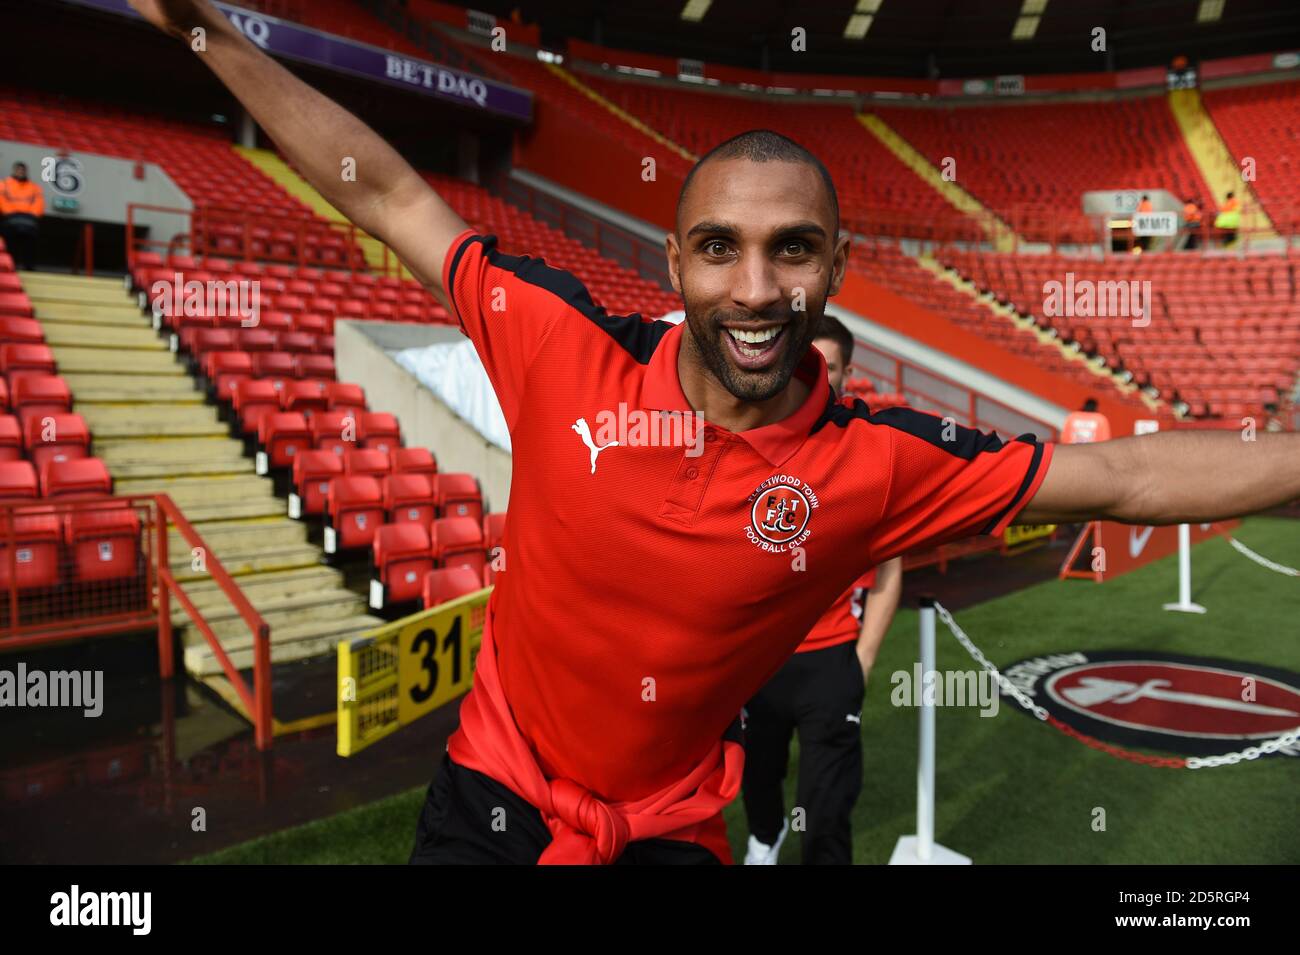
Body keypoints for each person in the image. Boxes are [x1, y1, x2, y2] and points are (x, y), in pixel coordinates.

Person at [130, 0, 1300, 865]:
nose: (754, 286)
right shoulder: (555, 337)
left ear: (834, 266)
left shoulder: (883, 459)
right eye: (719, 248)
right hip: (489, 796)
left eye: (792, 249)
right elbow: (385, 192)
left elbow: (1121, 471)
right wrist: (203, 35)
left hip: (673, 833)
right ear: (672, 260)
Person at [741, 313, 902, 865]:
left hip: (832, 659)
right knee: (757, 773)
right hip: (759, 659)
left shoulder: (869, 458)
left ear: (847, 373)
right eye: (805, 363)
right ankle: (766, 837)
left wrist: (864, 659)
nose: (815, 376)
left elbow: (890, 568)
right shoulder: (749, 446)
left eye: (828, 367)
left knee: (827, 806)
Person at [0, 161, 45, 271]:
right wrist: (11, 213)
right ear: (14, 171)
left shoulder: (34, 187)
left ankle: (29, 267)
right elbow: (1, 200)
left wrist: (31, 215)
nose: (20, 172)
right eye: (18, 170)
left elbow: (39, 203)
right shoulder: (4, 184)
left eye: (22, 170)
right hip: (10, 219)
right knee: (10, 244)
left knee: (30, 244)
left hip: (28, 220)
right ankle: (10, 267)